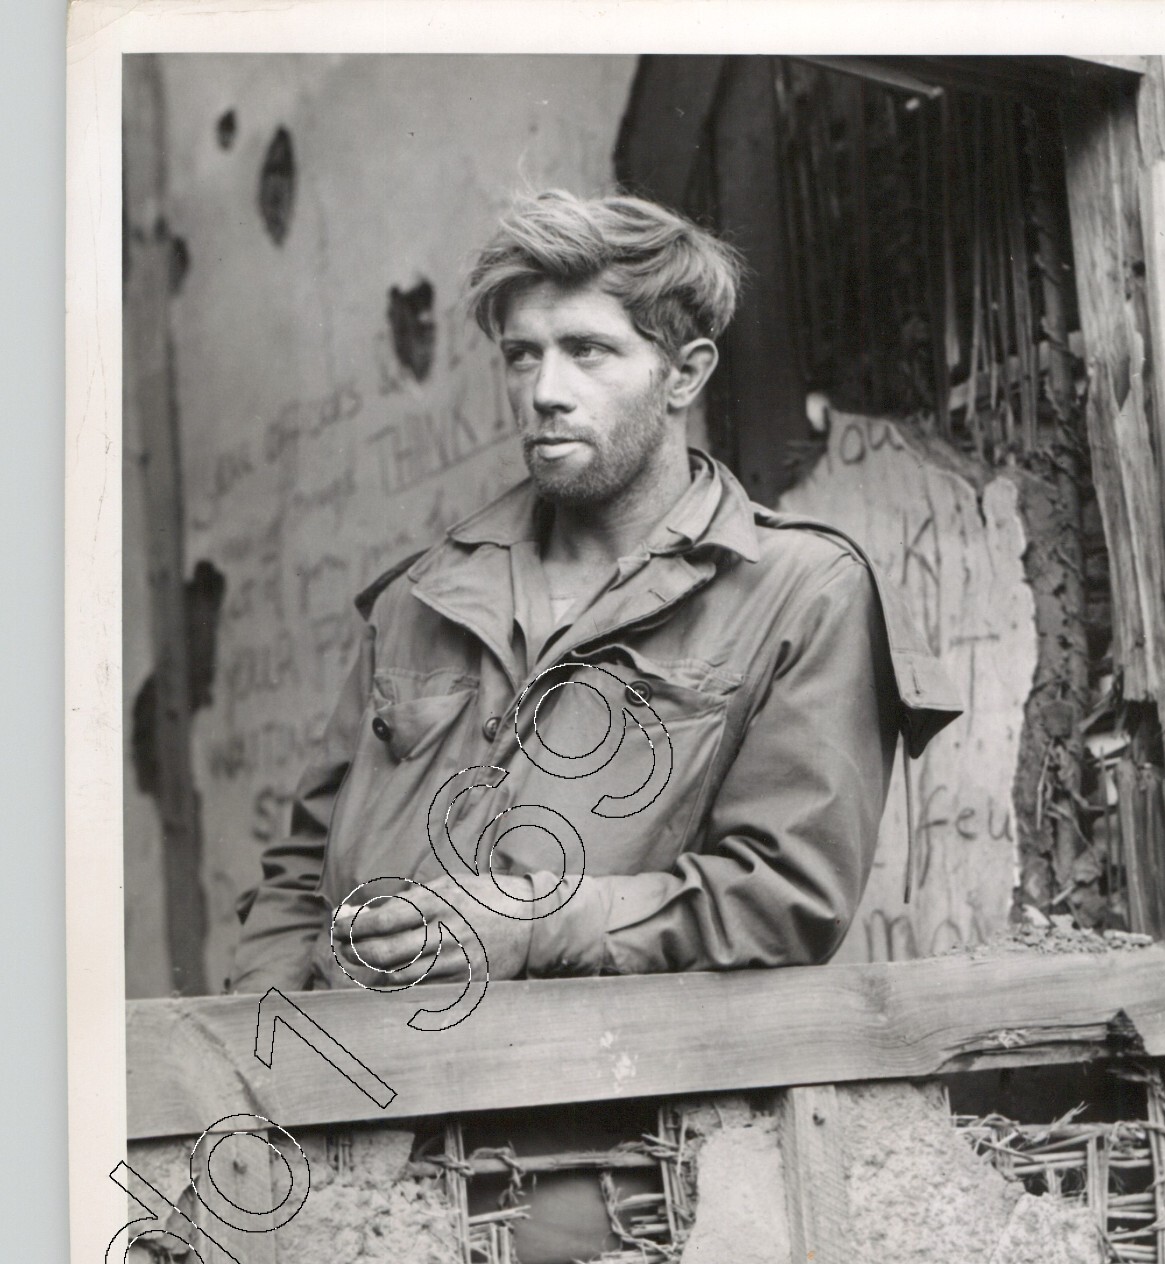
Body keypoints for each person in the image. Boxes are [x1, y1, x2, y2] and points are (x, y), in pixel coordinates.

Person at [229, 189, 959, 1001]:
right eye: (521, 354)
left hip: (596, 1106)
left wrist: (538, 923)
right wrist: (259, 1048)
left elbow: (787, 896)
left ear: (684, 375)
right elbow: (298, 877)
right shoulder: (420, 597)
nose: (545, 390)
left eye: (586, 350)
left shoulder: (801, 590)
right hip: (364, 1100)